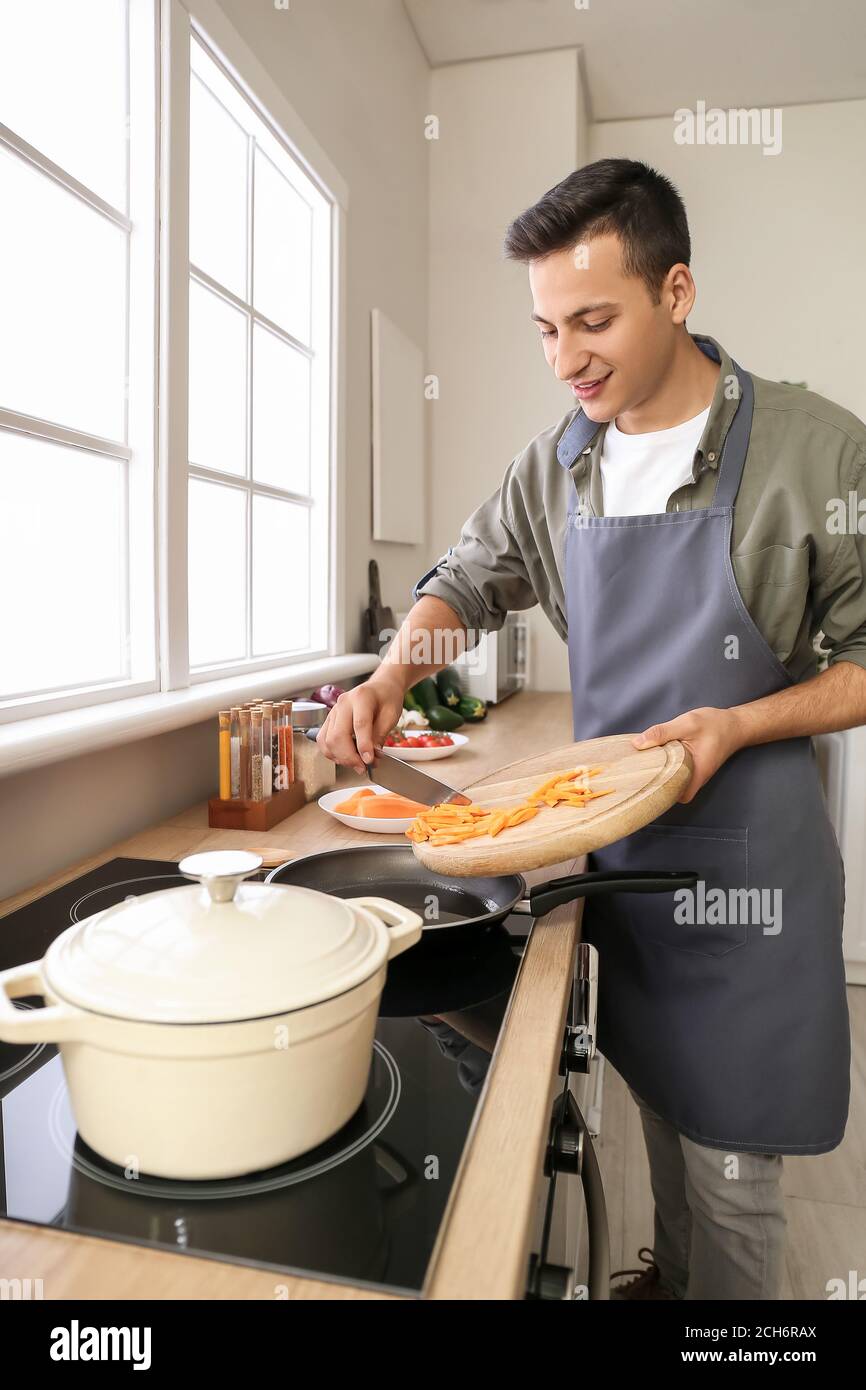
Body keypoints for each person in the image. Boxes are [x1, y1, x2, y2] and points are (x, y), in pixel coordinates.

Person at [315, 158, 862, 1301]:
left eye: (593, 320)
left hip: (747, 882)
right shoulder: (559, 463)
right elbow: (466, 579)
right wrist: (388, 677)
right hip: (619, 868)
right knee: (660, 1114)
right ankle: (672, 1284)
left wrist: (736, 720)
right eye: (545, 329)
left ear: (675, 292)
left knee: (729, 1176)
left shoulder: (817, 451)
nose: (566, 359)